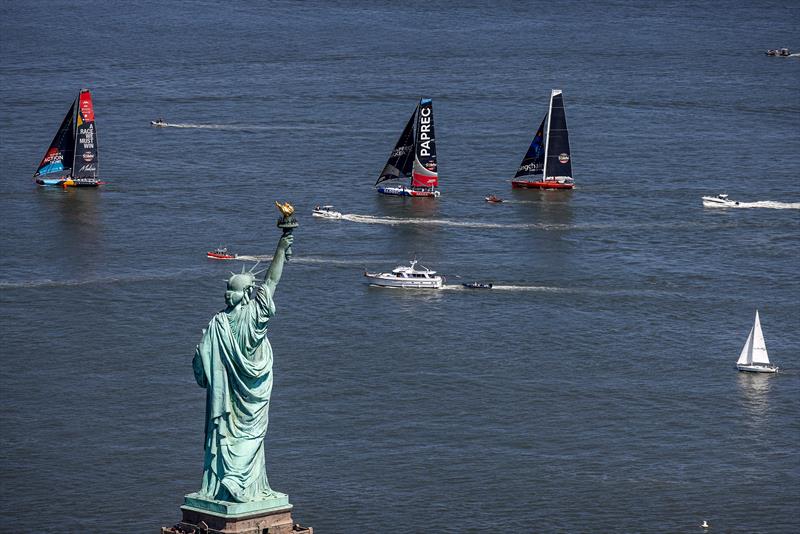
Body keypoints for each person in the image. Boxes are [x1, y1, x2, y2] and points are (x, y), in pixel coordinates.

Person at [192, 233, 293, 503]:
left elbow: (271, 280)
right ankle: (238, 483)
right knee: (249, 433)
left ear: (246, 293)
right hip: (251, 390)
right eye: (227, 289)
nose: (227, 294)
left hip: (234, 394)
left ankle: (231, 481)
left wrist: (281, 248)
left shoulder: (220, 323)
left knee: (230, 432)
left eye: (232, 290)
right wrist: (282, 247)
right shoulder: (238, 319)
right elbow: (271, 281)